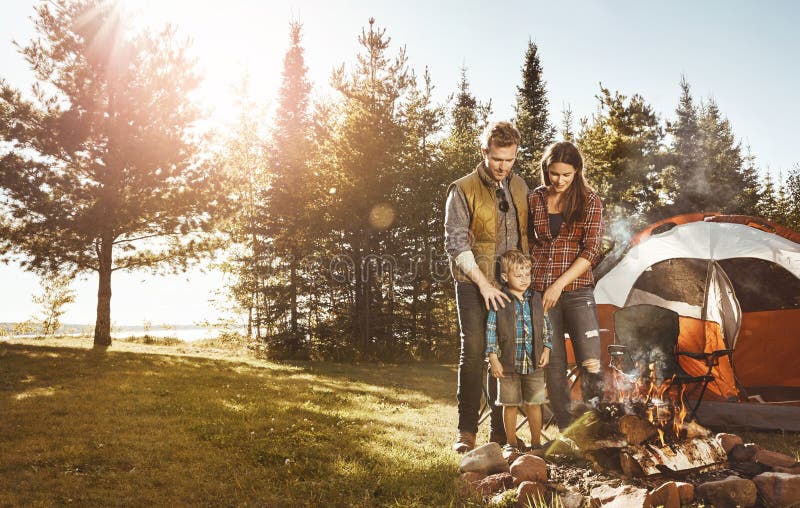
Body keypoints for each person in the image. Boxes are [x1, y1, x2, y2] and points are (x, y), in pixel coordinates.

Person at [445, 121, 529, 453]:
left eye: (509, 160)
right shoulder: (462, 188)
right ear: (484, 152)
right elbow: (456, 242)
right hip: (472, 284)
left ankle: (499, 433)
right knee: (475, 352)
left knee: (504, 357)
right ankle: (466, 432)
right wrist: (483, 284)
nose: (502, 167)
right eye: (497, 159)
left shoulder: (520, 187)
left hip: (508, 289)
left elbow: (527, 240)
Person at [528, 141, 605, 431]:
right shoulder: (535, 198)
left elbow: (591, 250)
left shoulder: (590, 200)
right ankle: (565, 429)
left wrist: (559, 285)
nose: (558, 180)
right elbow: (529, 243)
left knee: (590, 360)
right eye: (553, 173)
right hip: (539, 290)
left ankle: (597, 425)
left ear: (577, 172)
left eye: (566, 175)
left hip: (576, 289)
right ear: (546, 170)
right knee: (554, 363)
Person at [486, 250, 552, 452]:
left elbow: (546, 326)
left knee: (534, 403)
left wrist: (547, 348)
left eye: (527, 274)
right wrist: (493, 358)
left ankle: (536, 444)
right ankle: (511, 444)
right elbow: (491, 330)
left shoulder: (536, 299)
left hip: (534, 363)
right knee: (510, 404)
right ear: (505, 277)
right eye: (518, 274)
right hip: (508, 364)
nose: (524, 279)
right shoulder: (499, 300)